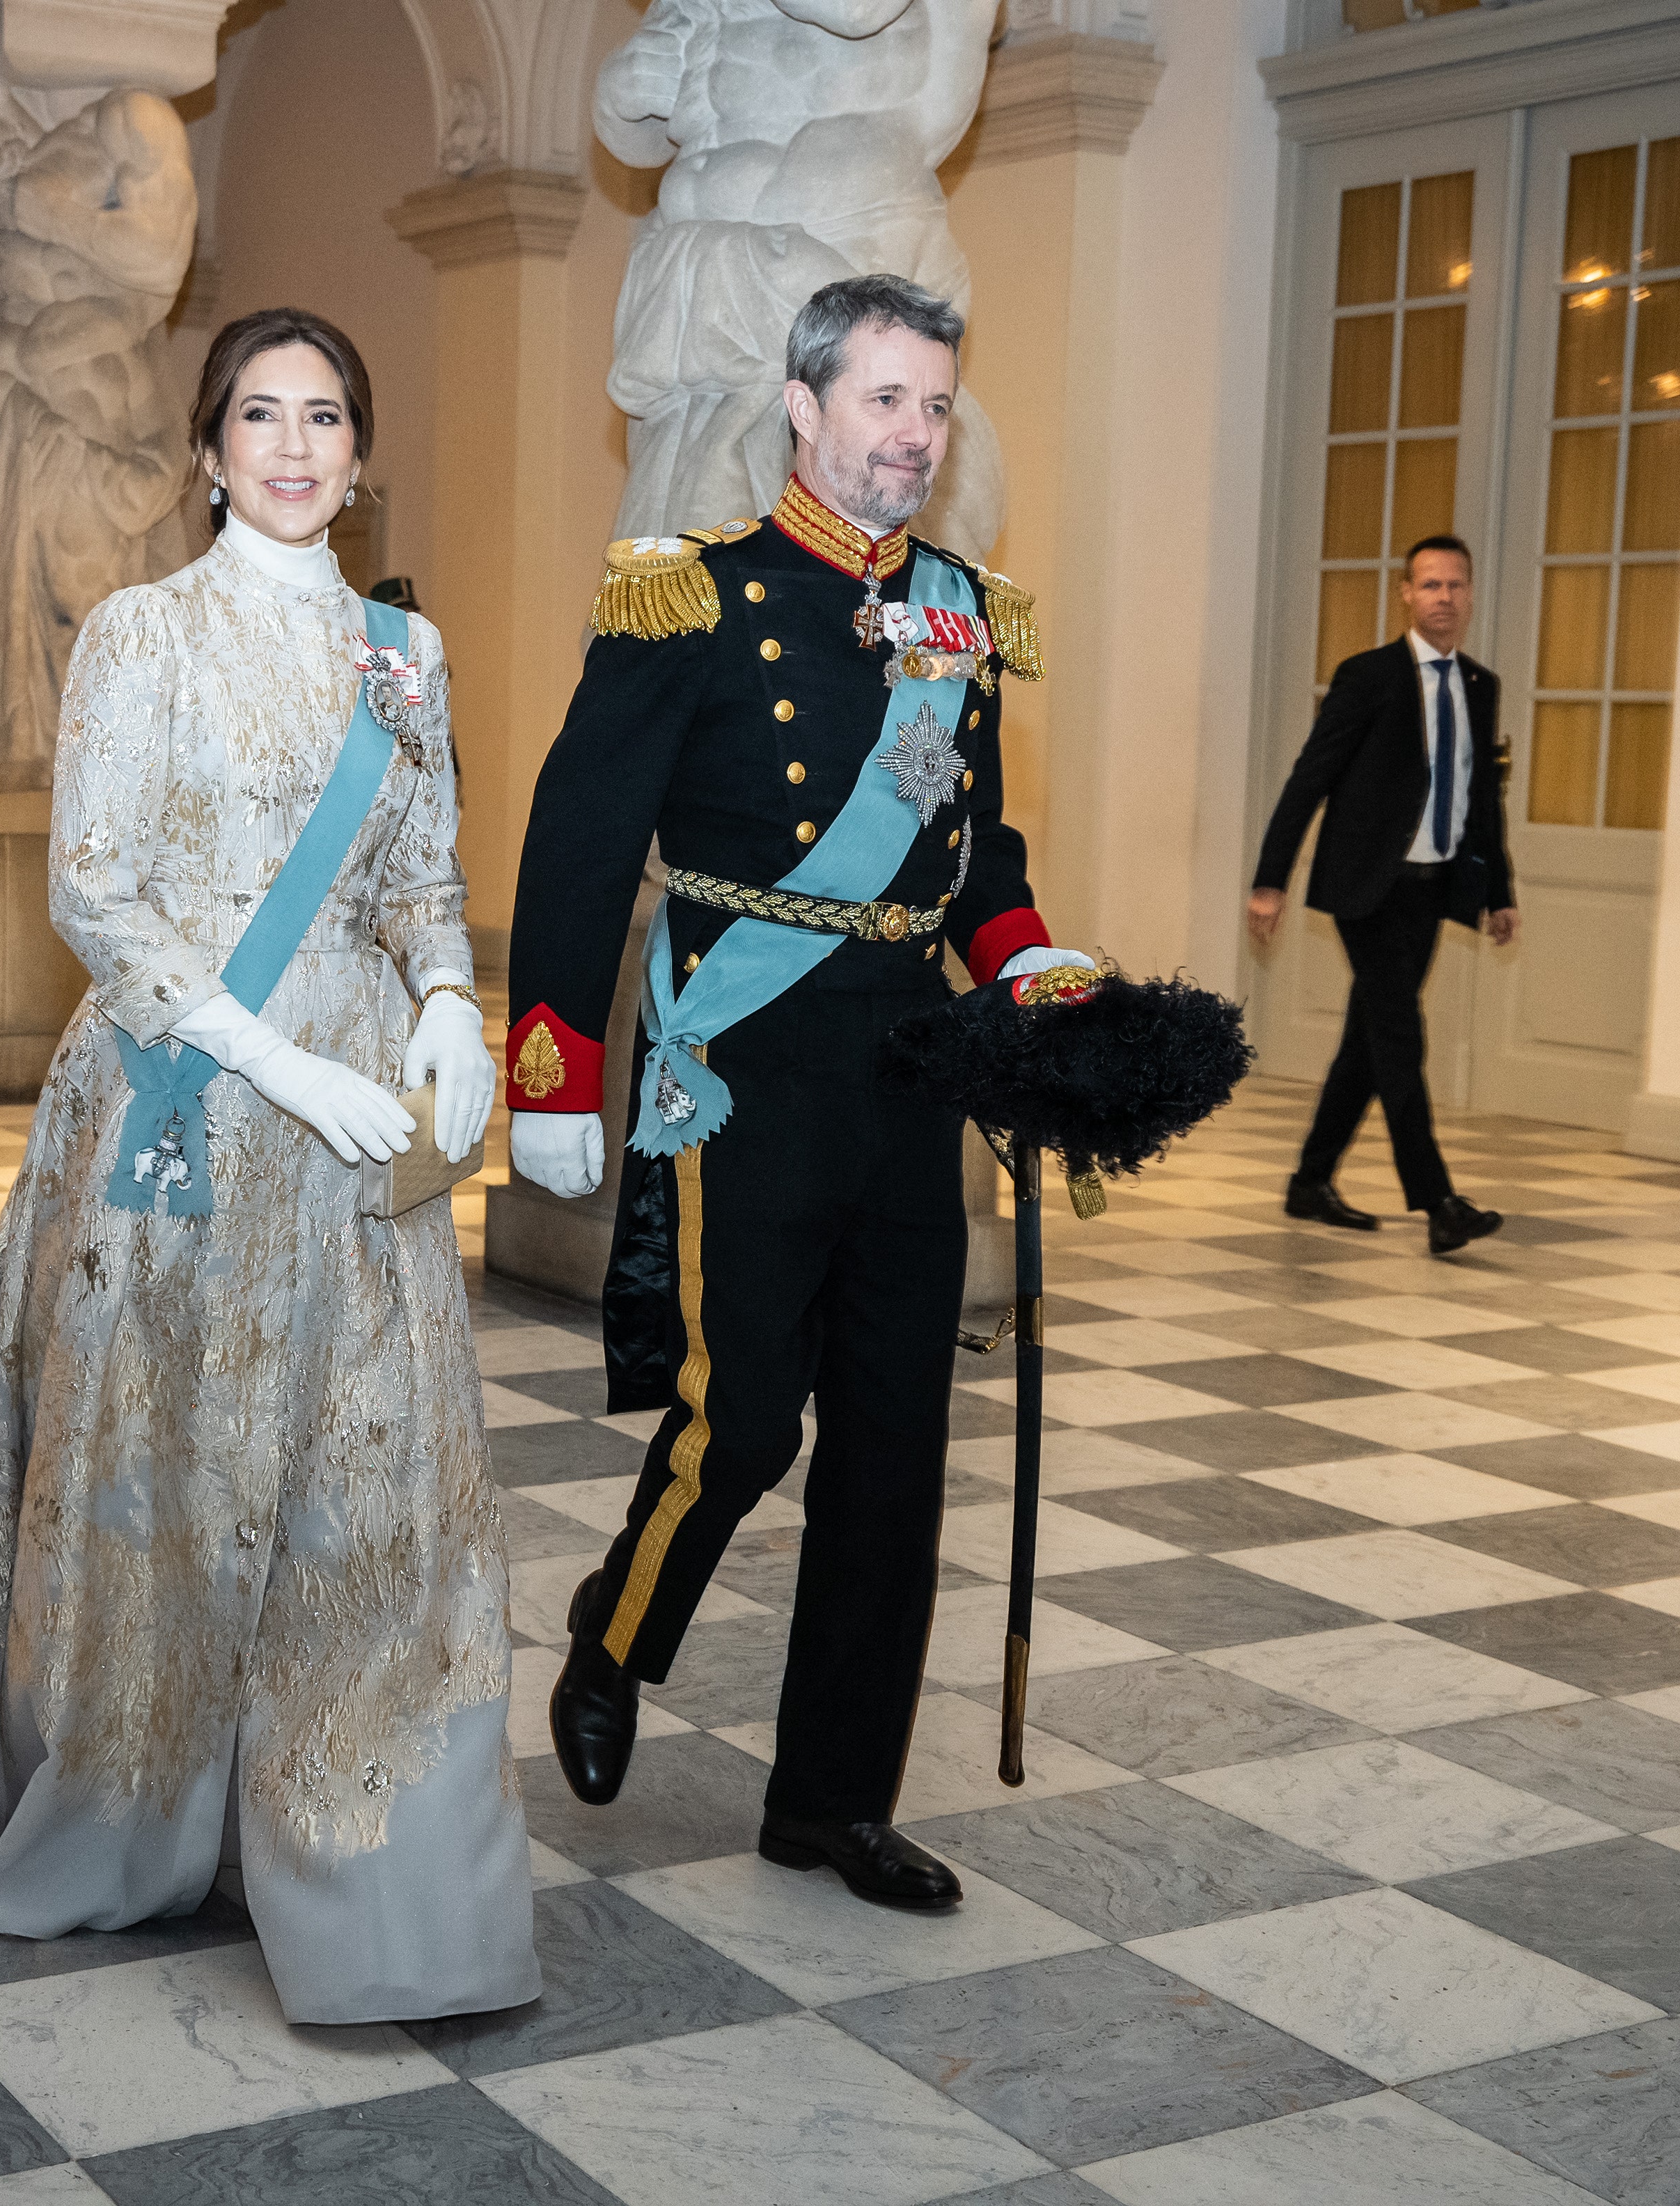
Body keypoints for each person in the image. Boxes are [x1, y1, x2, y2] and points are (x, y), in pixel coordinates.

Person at [0, 308, 539, 2026]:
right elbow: (95, 896)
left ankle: (367, 1861)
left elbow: (417, 874)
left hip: (360, 1140)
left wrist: (451, 1009)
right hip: (184, 1099)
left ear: (358, 448)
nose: (290, 443)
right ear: (206, 448)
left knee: (371, 1475)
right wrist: (277, 1062)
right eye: (258, 413)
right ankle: (132, 1811)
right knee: (165, 1477)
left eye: (323, 415)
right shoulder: (141, 633)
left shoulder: (405, 656)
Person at [507, 274, 1088, 1911]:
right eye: (883, 400)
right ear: (803, 403)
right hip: (738, 1064)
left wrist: (1031, 968)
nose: (910, 436)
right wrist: (549, 1062)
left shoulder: (963, 615)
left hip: (907, 1070)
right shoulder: (684, 600)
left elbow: (975, 854)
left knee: (896, 1447)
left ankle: (830, 1799)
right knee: (743, 1414)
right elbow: (576, 841)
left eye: (932, 407)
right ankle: (616, 1631)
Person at [1248, 533, 1518, 1257]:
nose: (1444, 599)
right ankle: (1438, 1202)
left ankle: (1310, 1180)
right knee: (1402, 1039)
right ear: (1406, 593)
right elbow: (1311, 778)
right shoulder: (1367, 676)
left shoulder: (1480, 687)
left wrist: (1499, 892)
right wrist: (1271, 880)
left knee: (1368, 1044)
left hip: (1432, 893)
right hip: (1369, 888)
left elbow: (1483, 800)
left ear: (1470, 594)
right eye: (1430, 585)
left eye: (1456, 585)